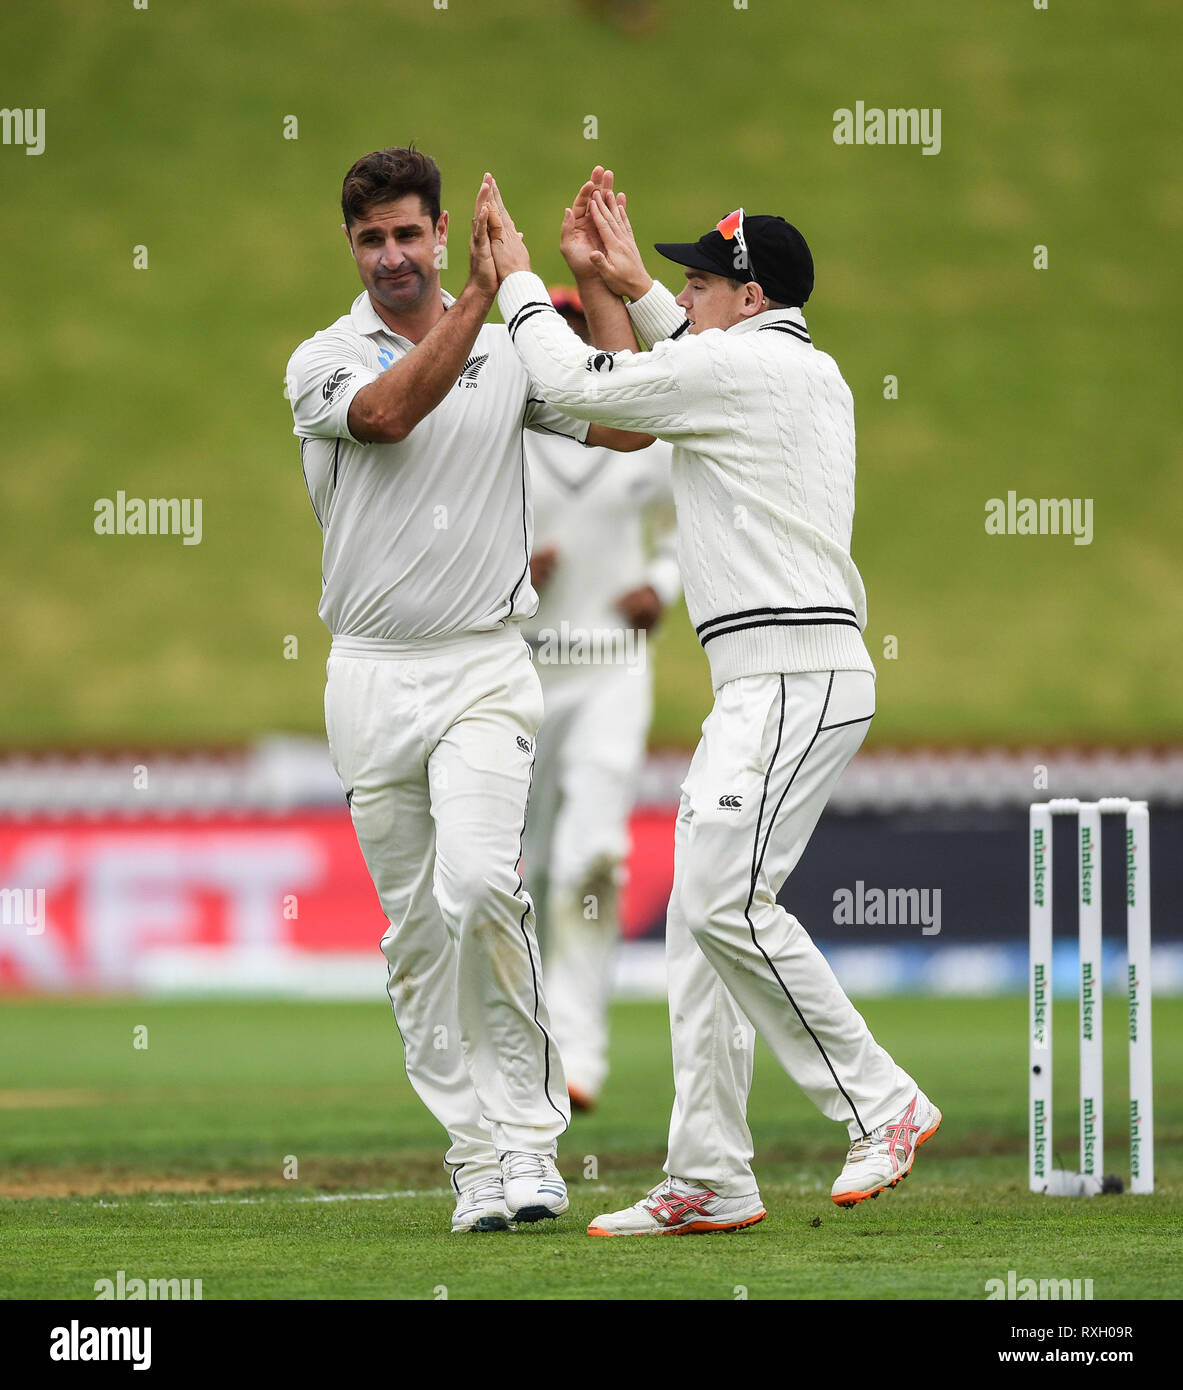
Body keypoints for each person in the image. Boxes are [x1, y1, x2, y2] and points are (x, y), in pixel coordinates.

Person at [483, 173, 941, 1235]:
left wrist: (517, 283)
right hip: (766, 680)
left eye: (699, 282)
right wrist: (627, 275)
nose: (682, 297)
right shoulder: (768, 363)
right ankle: (710, 1176)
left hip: (792, 676)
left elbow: (589, 381)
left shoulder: (750, 370)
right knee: (703, 926)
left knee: (726, 907)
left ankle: (881, 1102)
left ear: (749, 296)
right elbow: (677, 359)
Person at [284, 148, 650, 1233]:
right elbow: (392, 415)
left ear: (443, 232)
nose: (391, 256)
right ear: (352, 247)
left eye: (408, 234)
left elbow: (625, 420)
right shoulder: (321, 360)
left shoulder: (507, 352)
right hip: (368, 671)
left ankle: (532, 1142)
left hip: (485, 664)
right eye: (370, 239)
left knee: (483, 888)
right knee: (414, 936)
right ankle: (474, 1153)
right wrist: (488, 292)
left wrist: (594, 285)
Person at [522, 286, 680, 1112]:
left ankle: (578, 1055)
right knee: (522, 868)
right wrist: (510, 570)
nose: (574, 337)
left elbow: (697, 515)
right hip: (519, 670)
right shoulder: (504, 431)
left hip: (613, 667)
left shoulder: (636, 437)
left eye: (583, 324)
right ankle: (529, 1047)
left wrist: (661, 581)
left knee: (591, 859)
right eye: (559, 326)